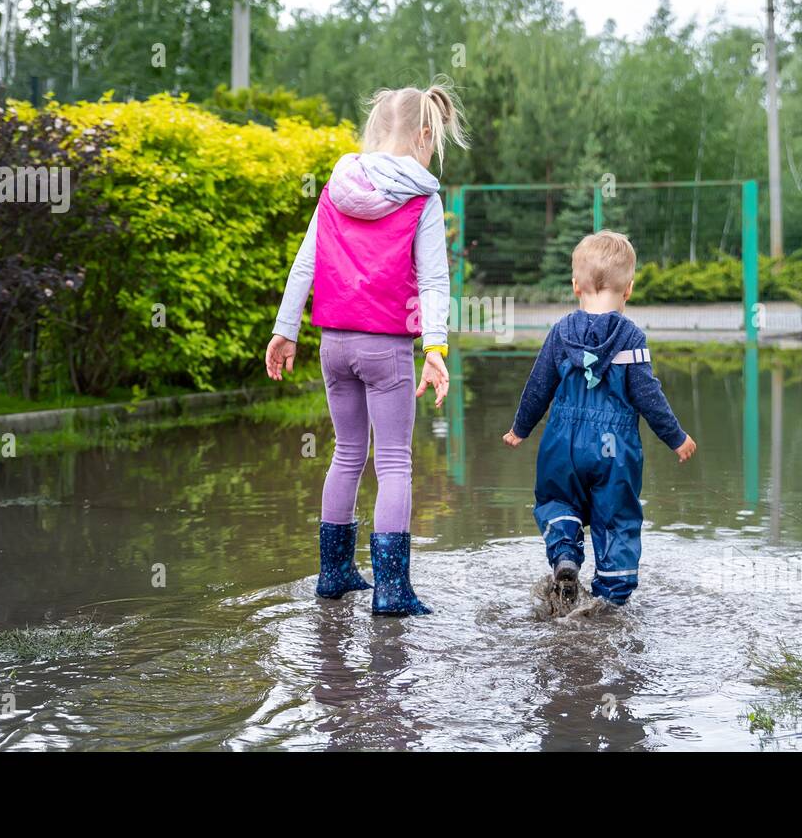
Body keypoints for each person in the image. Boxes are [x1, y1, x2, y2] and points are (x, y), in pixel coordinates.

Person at [265, 80, 467, 616]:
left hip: (333, 345)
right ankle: (392, 590)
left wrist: (285, 330)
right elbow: (434, 282)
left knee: (347, 454)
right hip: (386, 349)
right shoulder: (421, 197)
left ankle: (333, 574)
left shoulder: (336, 186)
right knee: (395, 462)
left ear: (379, 128)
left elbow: (305, 262)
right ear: (425, 134)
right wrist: (436, 349)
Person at [503, 231, 696, 606]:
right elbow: (648, 395)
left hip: (562, 443)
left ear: (576, 285)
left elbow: (538, 385)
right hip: (614, 450)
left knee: (558, 500)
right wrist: (676, 437)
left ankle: (565, 555)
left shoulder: (560, 332)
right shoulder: (632, 337)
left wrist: (520, 428)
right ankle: (610, 600)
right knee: (617, 519)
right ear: (629, 289)